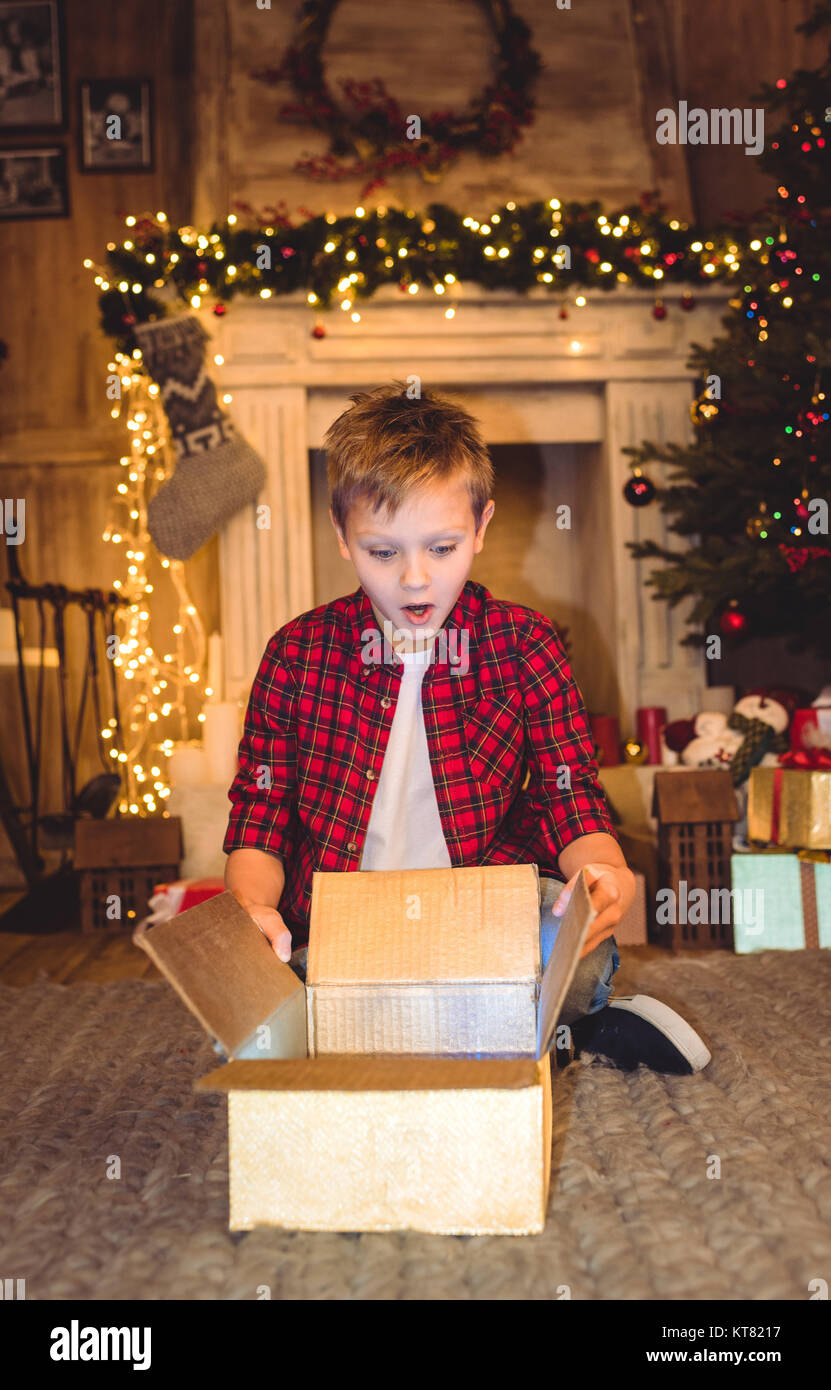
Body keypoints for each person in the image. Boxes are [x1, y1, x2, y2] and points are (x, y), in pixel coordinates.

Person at [224, 381, 710, 1075]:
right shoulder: (296, 653)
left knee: (569, 944)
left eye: (442, 548)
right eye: (382, 553)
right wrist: (250, 912)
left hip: (482, 919)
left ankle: (486, 1020)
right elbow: (259, 821)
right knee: (261, 998)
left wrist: (603, 874)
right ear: (341, 536)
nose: (414, 580)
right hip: (339, 930)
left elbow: (568, 798)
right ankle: (552, 1032)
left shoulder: (525, 643)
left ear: (480, 527)